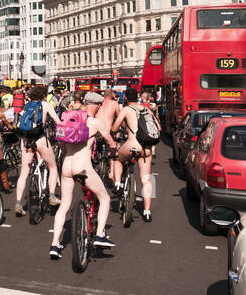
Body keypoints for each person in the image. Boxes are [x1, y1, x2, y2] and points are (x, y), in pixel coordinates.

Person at [49, 92, 117, 259]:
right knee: (105, 198)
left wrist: (66, 153)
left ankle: (55, 245)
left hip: (66, 166)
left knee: (64, 205)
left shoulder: (67, 120)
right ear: (98, 105)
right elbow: (109, 140)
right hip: (83, 167)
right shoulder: (94, 123)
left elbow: (62, 144)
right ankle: (100, 234)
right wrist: (114, 149)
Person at [110, 84, 156, 221]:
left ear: (125, 98)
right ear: (137, 97)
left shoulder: (126, 109)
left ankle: (118, 184)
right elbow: (157, 126)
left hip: (132, 145)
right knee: (146, 179)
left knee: (118, 159)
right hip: (146, 148)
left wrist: (120, 129)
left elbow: (114, 128)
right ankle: (147, 212)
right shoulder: (147, 110)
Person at [13, 83, 60, 216]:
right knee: (53, 167)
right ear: (43, 96)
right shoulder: (45, 105)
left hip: (26, 140)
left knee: (24, 172)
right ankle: (51, 196)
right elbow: (58, 122)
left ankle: (18, 203)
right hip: (39, 139)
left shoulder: (26, 106)